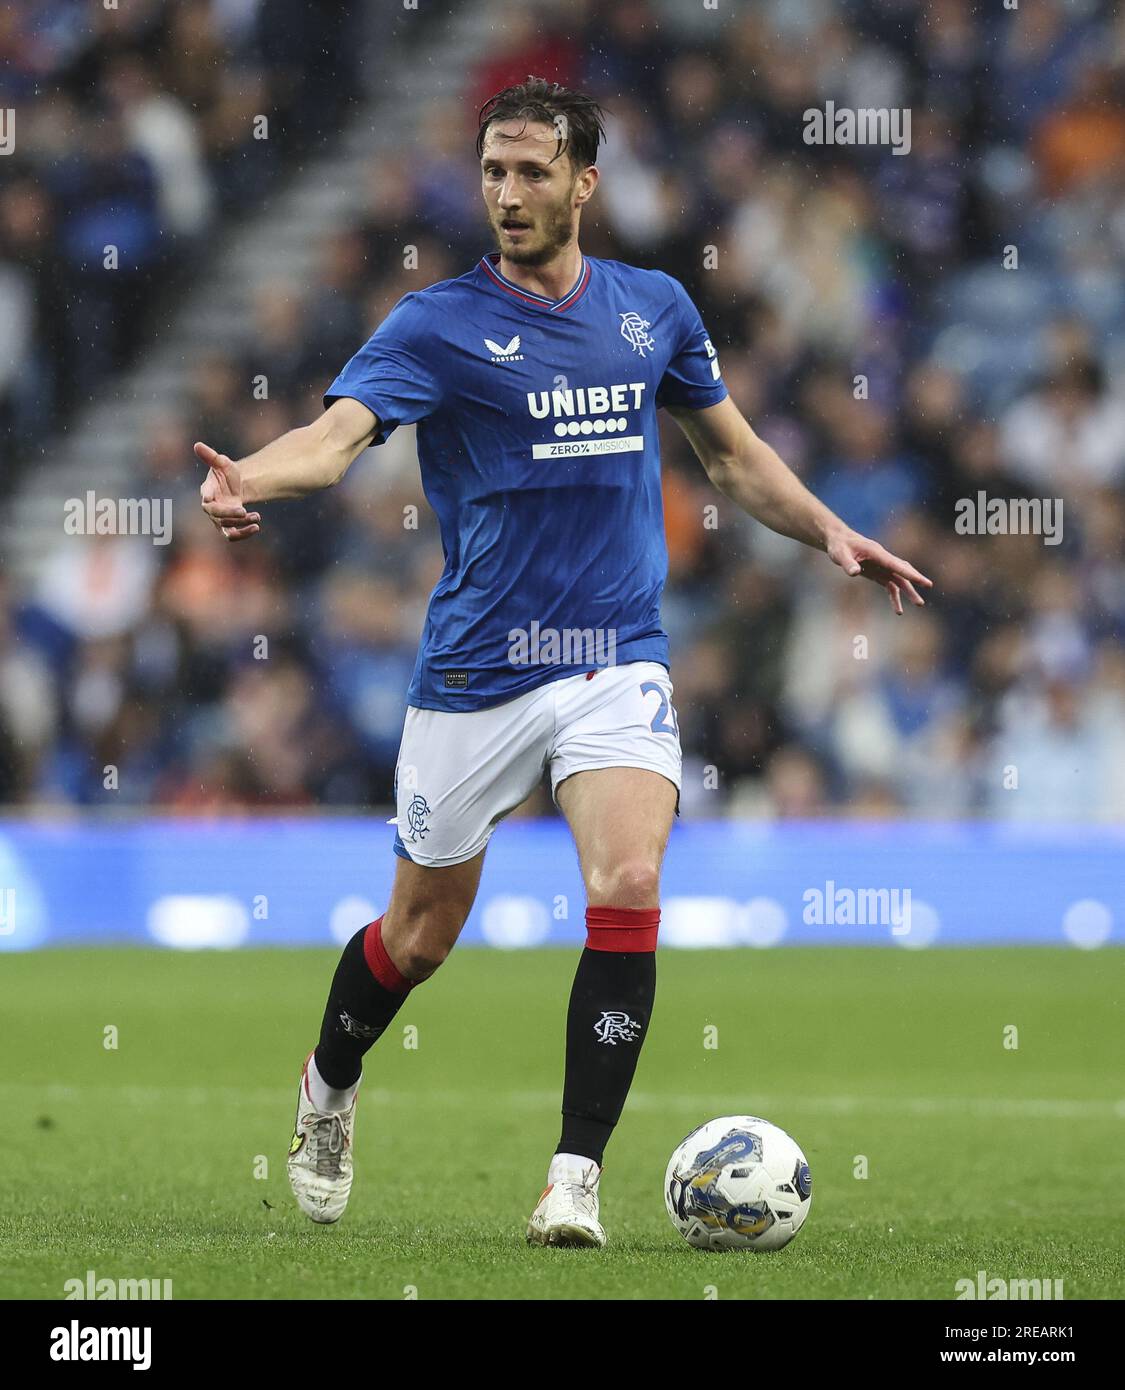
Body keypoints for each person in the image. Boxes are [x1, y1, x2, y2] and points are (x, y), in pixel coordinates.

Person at [197, 78, 931, 1248]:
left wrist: (830, 530)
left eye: (533, 171)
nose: (508, 192)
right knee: (418, 938)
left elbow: (733, 458)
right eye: (493, 171)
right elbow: (334, 443)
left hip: (613, 655)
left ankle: (573, 1178)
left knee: (628, 881)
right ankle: (329, 1083)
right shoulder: (435, 324)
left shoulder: (653, 308)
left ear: (584, 182)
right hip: (476, 673)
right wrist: (250, 475)